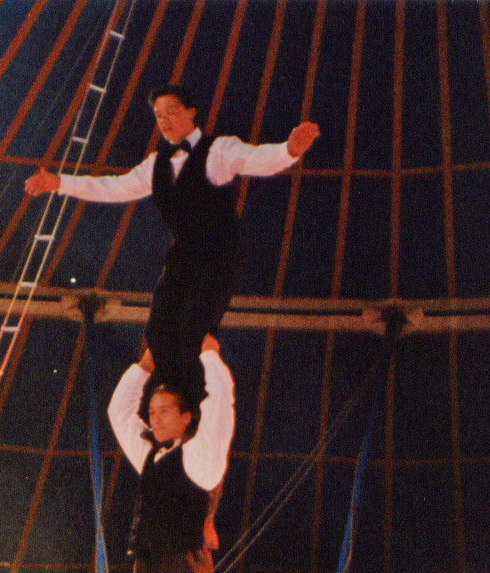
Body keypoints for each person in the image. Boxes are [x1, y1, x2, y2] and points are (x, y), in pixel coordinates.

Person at [26, 83, 318, 407]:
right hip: (183, 254)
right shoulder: (155, 164)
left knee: (193, 330)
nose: (164, 120)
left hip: (219, 255)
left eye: (172, 112)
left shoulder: (218, 150)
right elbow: (113, 187)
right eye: (158, 115)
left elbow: (253, 158)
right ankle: (167, 405)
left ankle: (194, 407)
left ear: (192, 112)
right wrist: (60, 183)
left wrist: (288, 150)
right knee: (158, 329)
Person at [107, 338, 234, 573]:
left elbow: (220, 410)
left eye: (164, 411)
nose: (155, 417)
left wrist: (210, 356)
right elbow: (119, 412)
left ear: (186, 418)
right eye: (152, 410)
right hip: (148, 561)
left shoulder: (201, 457)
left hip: (184, 563)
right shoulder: (150, 453)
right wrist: (143, 367)